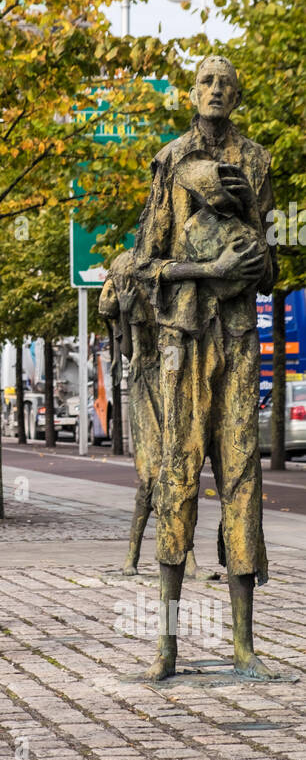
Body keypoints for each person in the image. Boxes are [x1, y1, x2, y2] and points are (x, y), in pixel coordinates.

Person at [133, 55, 277, 681]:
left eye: (226, 83)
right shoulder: (171, 160)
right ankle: (166, 646)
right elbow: (145, 265)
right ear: (192, 93)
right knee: (177, 475)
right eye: (206, 81)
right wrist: (209, 273)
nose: (216, 90)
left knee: (243, 477)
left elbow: (270, 265)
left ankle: (244, 646)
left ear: (237, 96)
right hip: (186, 340)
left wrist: (247, 235)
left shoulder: (258, 162)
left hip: (240, 338)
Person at [100, 250, 205, 579]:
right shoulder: (128, 302)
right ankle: (133, 555)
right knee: (150, 477)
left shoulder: (163, 296)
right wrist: (129, 317)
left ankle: (185, 557)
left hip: (170, 383)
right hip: (145, 387)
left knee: (178, 471)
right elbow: (132, 354)